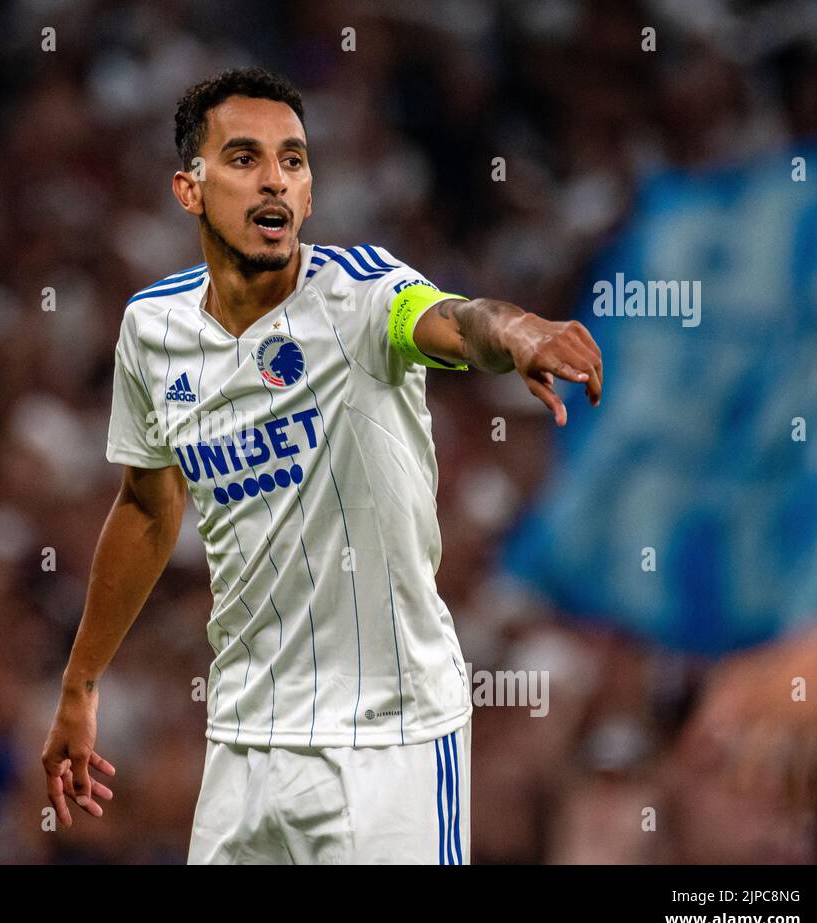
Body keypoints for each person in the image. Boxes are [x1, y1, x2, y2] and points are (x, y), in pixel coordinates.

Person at [40, 67, 603, 864]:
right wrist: (81, 685)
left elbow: (456, 320)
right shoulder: (151, 329)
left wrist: (515, 333)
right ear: (189, 189)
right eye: (243, 158)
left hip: (390, 740)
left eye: (294, 160)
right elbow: (146, 505)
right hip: (243, 741)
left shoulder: (362, 296)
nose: (275, 177)